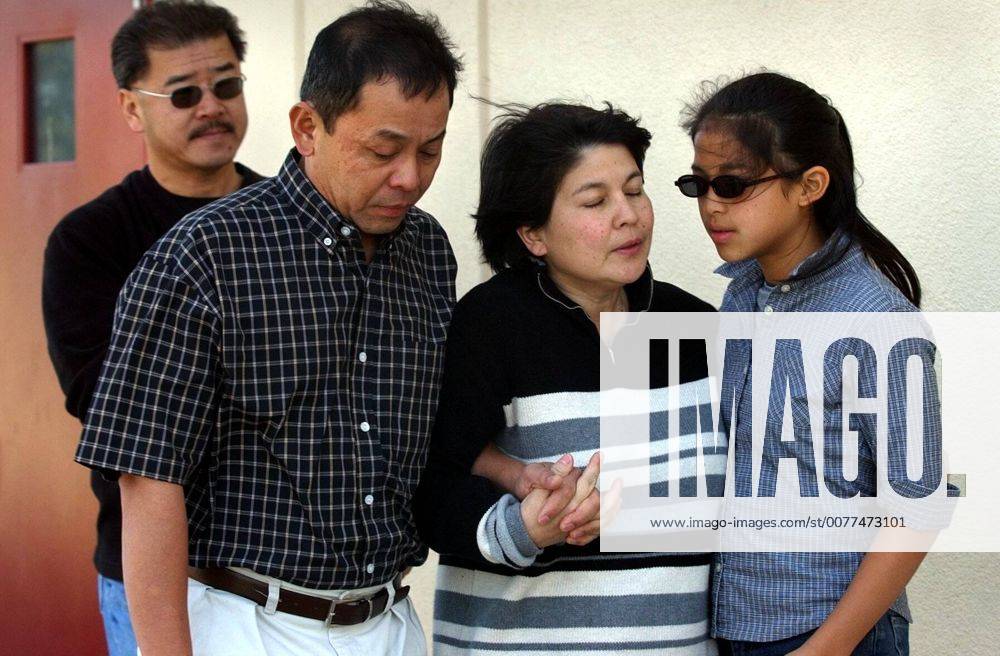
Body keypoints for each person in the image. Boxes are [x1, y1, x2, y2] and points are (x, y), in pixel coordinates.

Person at [73, 2, 462, 654]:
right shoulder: (203, 257)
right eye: (384, 149)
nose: (411, 177)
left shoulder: (427, 249)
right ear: (308, 127)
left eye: (432, 148)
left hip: (391, 620)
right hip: (242, 621)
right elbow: (146, 480)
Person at [414, 103, 722, 655]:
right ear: (533, 233)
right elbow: (429, 490)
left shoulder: (696, 328)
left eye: (634, 190)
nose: (627, 215)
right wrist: (525, 529)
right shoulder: (489, 325)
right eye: (595, 201)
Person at [675, 71, 933, 655]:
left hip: (833, 633)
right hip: (738, 626)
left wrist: (826, 648)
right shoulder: (742, 296)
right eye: (699, 185)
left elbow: (916, 507)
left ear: (810, 184)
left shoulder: (875, 316)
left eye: (733, 185)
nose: (711, 205)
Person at [42, 3, 260, 654]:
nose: (211, 107)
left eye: (226, 85)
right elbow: (105, 401)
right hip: (159, 573)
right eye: (184, 94)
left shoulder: (290, 221)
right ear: (132, 108)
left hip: (287, 577)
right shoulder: (89, 241)